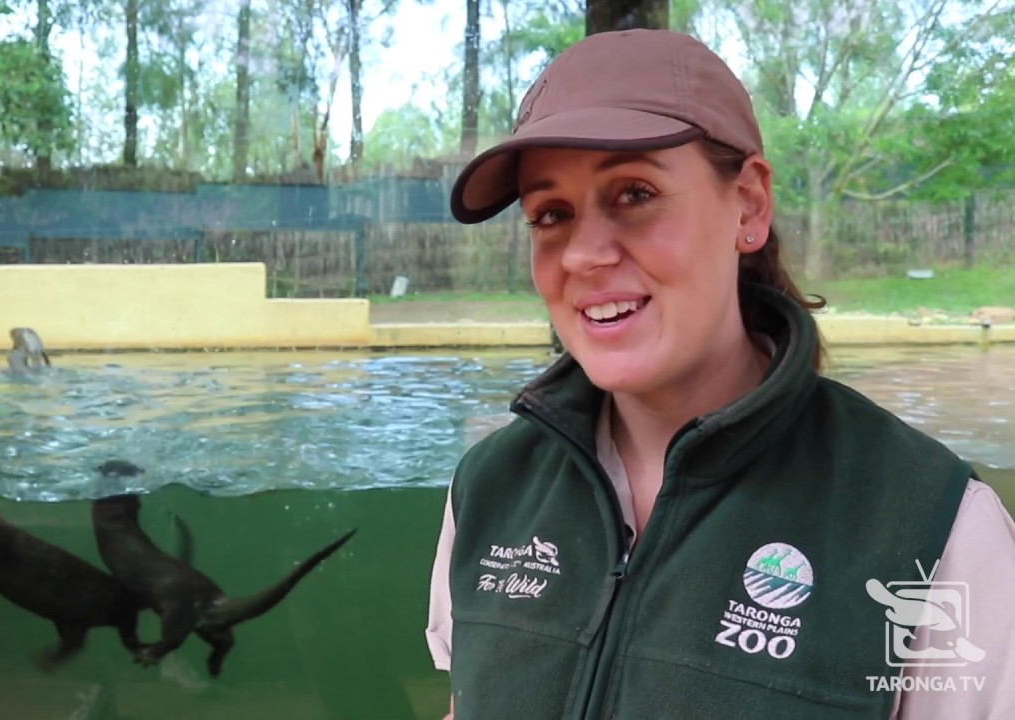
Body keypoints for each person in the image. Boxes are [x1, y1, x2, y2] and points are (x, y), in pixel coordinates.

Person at [424, 28, 1015, 720]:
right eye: (550, 214)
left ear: (749, 205)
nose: (583, 254)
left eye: (634, 193)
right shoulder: (489, 489)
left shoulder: (938, 529)